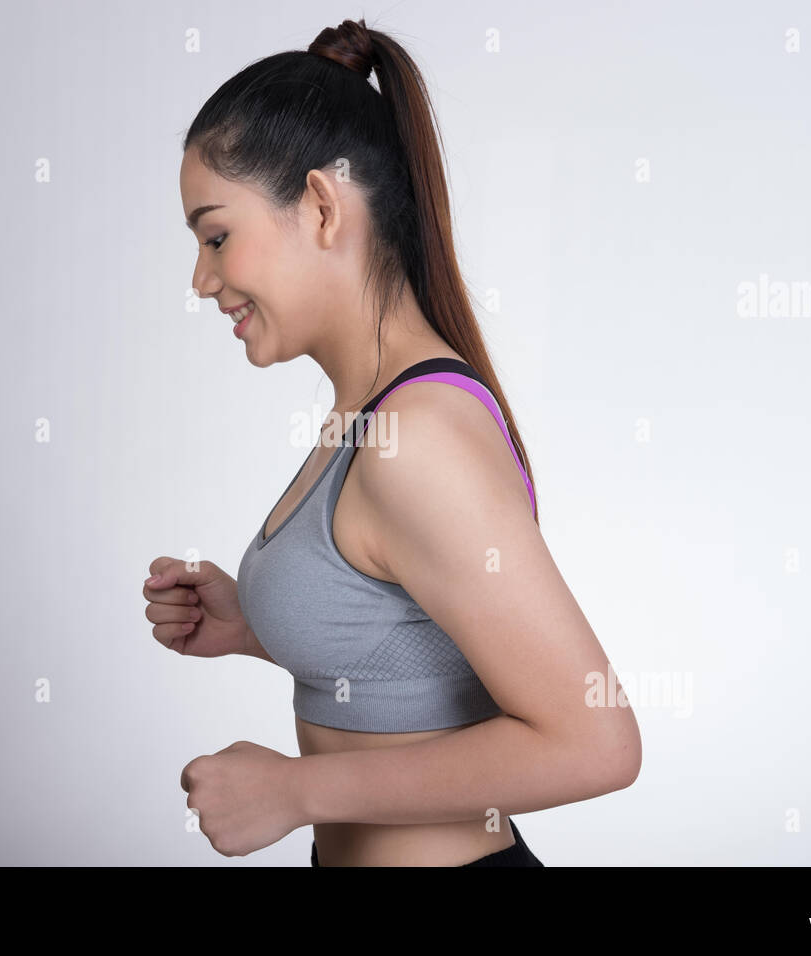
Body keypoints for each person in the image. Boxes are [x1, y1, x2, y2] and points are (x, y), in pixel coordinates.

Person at [146, 17, 640, 866]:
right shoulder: (368, 413)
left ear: (323, 205)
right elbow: (414, 649)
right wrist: (257, 622)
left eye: (216, 235)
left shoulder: (415, 434)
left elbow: (596, 742)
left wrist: (296, 792)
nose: (201, 280)